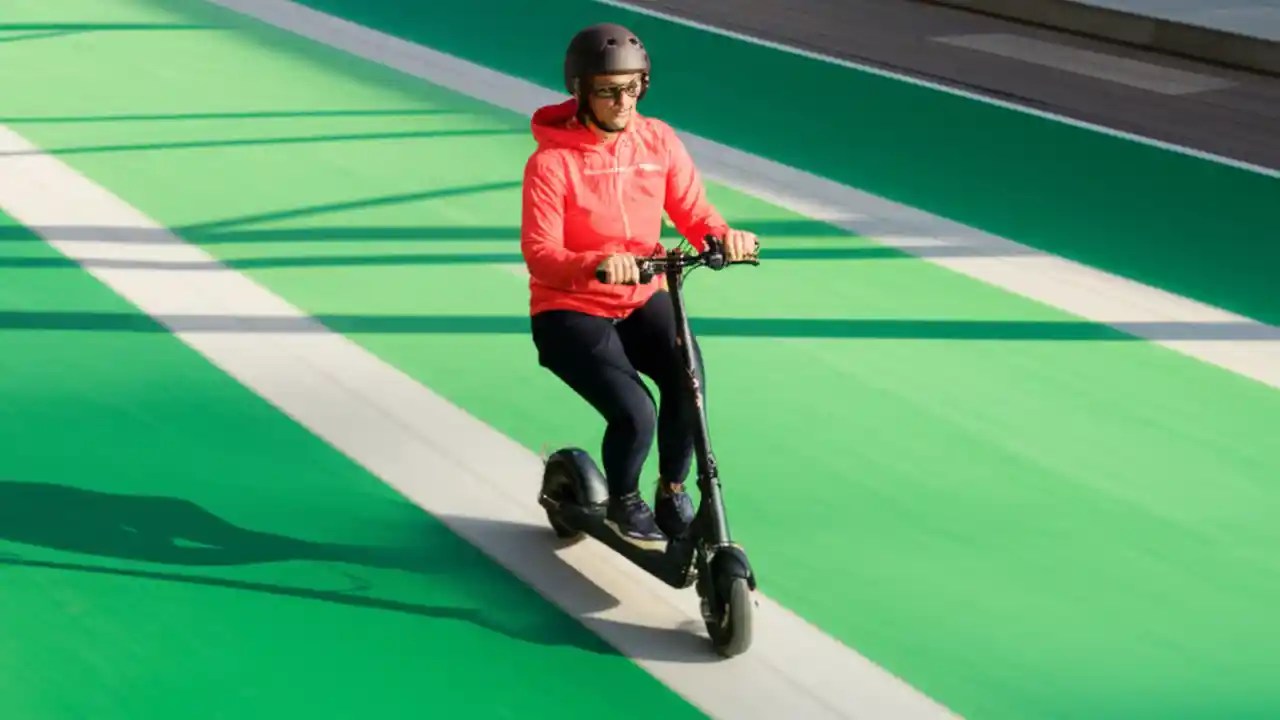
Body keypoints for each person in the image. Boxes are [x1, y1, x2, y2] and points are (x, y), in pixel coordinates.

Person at [520, 22, 759, 548]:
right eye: (608, 91)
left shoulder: (658, 141)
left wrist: (722, 236)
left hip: (641, 296)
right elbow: (540, 253)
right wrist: (596, 263)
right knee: (636, 410)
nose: (622, 102)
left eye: (633, 88)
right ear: (580, 91)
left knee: (687, 377)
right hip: (570, 308)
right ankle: (623, 503)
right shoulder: (551, 163)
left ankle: (672, 489)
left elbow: (693, 210)